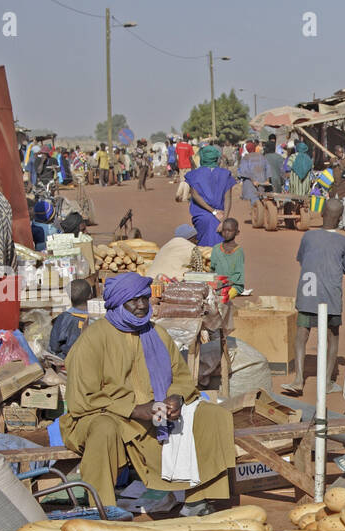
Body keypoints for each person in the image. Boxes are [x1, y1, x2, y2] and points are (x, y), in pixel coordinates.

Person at [60, 272, 235, 514]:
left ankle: (197, 501)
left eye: (144, 298)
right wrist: (133, 409)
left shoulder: (157, 334)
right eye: (134, 300)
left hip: (155, 414)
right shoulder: (93, 339)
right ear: (118, 303)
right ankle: (102, 510)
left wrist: (176, 398)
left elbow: (182, 378)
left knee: (212, 415)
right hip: (103, 413)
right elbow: (82, 399)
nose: (142, 305)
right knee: (104, 429)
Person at [283, 201, 345, 396]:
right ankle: (327, 382)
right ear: (340, 218)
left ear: (321, 214)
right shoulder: (344, 242)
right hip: (331, 297)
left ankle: (298, 380)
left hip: (307, 294)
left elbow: (302, 259)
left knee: (301, 335)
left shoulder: (308, 236)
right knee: (333, 337)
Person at [184, 144, 234, 248]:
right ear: (217, 159)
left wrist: (212, 211)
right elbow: (228, 198)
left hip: (202, 216)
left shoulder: (195, 174)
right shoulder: (225, 174)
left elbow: (195, 195)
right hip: (220, 218)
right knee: (220, 248)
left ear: (202, 158)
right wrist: (224, 219)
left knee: (204, 250)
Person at [49, 278, 94, 359]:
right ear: (90, 295)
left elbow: (54, 347)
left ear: (69, 296)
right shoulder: (97, 318)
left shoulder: (63, 318)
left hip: (68, 361)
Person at [211, 217, 247, 297]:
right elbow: (212, 268)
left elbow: (238, 273)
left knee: (225, 298)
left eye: (229, 231)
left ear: (237, 232)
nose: (226, 233)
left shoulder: (238, 251)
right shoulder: (216, 249)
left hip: (234, 285)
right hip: (218, 285)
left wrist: (226, 283)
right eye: (224, 230)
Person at [330, 145, 345, 230]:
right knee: (338, 207)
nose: (340, 154)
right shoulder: (333, 160)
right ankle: (340, 224)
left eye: (341, 152)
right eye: (338, 152)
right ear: (335, 153)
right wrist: (337, 163)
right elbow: (332, 164)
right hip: (336, 187)